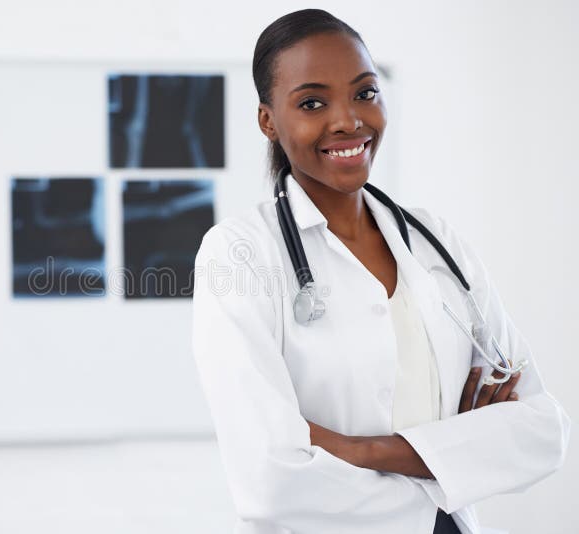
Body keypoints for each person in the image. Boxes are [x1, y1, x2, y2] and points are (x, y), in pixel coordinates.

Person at [191, 9, 570, 534]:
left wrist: (357, 449)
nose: (348, 120)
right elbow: (269, 482)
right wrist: (454, 455)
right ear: (268, 121)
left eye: (364, 92)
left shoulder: (436, 243)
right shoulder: (239, 253)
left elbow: (541, 431)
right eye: (312, 102)